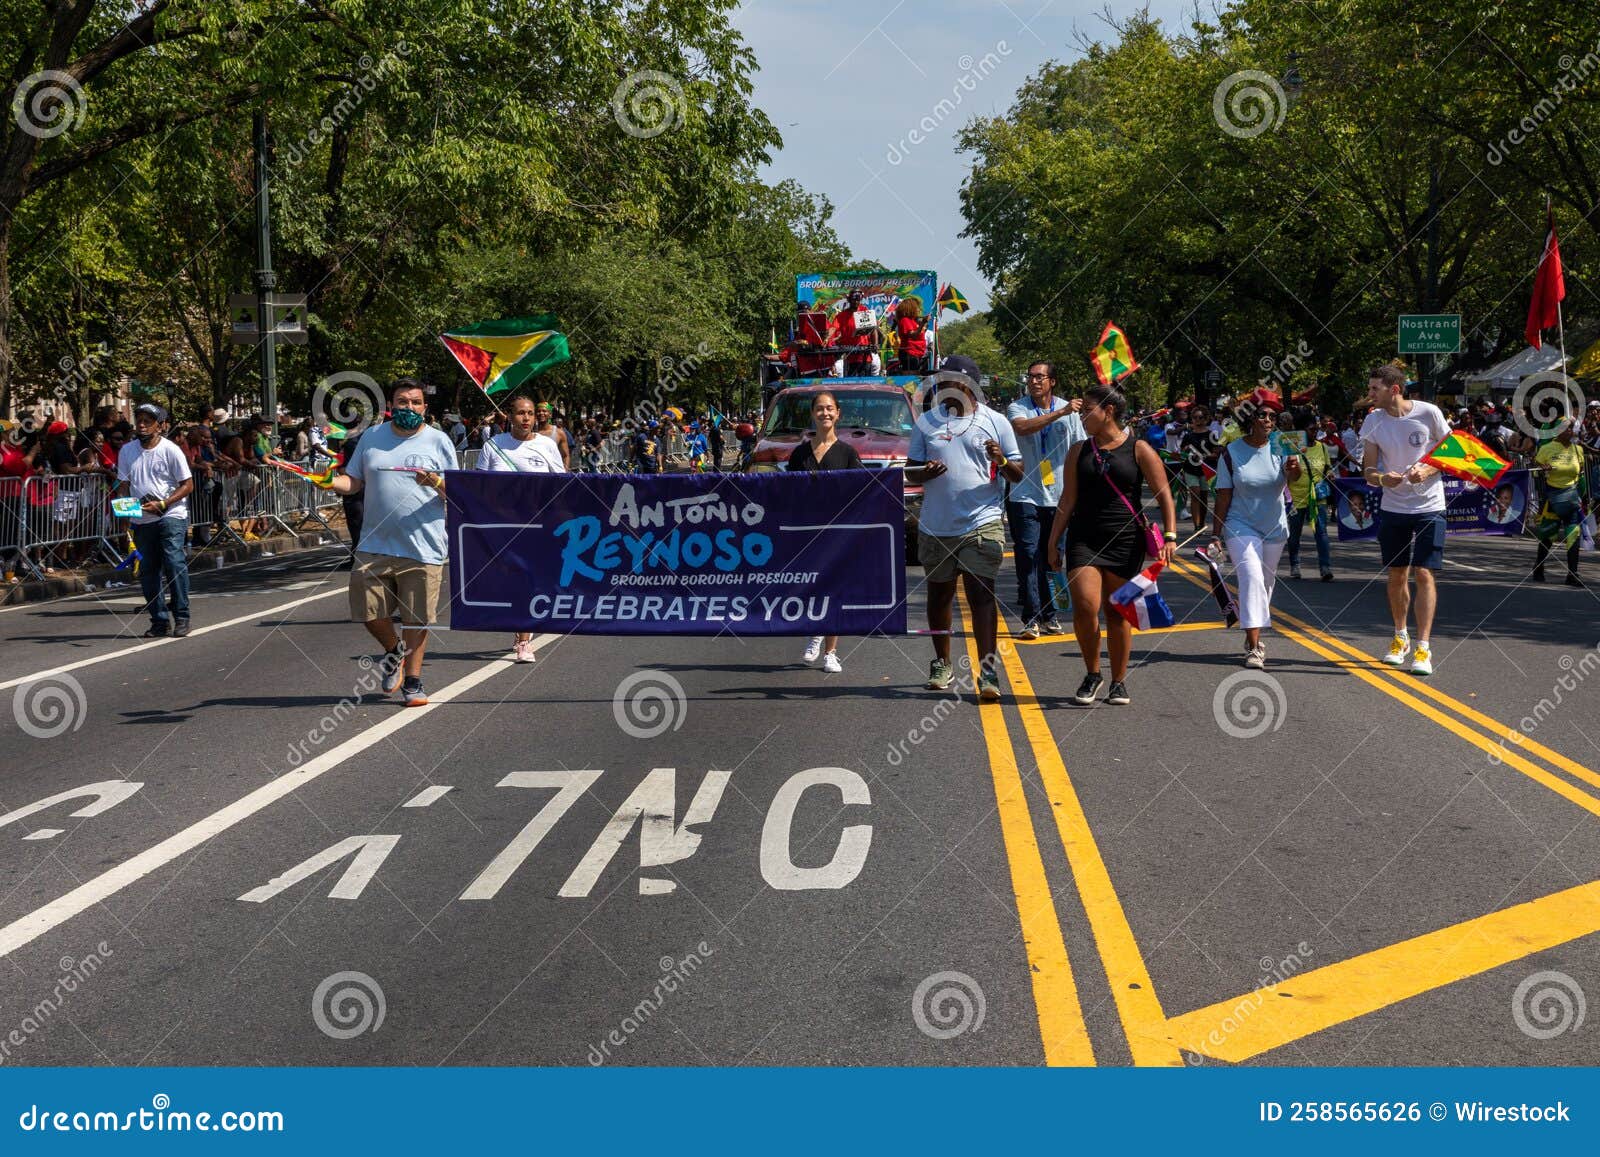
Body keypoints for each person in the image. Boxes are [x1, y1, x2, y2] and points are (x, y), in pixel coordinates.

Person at [323, 378, 458, 708]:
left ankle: (413, 681)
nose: (408, 408)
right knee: (368, 613)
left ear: (425, 408)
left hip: (423, 546)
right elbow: (353, 482)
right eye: (402, 402)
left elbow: (458, 493)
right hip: (374, 544)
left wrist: (437, 481)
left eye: (415, 402)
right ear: (391, 406)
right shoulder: (371, 437)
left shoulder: (438, 441)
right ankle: (393, 649)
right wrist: (327, 482)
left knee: (416, 619)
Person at [1047, 385, 1178, 705]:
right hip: (1084, 538)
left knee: (1118, 613)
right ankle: (1093, 674)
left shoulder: (1139, 448)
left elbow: (1164, 495)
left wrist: (1171, 536)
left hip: (1125, 541)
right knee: (1085, 605)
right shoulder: (1078, 451)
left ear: (1108, 411)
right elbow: (1068, 499)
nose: (1082, 415)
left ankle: (1119, 681)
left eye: (1087, 409)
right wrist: (1053, 542)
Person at [907, 354, 1023, 702]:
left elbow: (1018, 474)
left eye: (953, 380)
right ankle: (942, 662)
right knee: (940, 596)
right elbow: (910, 472)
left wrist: (1000, 459)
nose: (946, 386)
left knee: (981, 597)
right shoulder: (926, 422)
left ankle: (987, 671)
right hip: (936, 525)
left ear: (970, 385)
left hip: (981, 522)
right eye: (942, 380)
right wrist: (926, 472)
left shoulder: (996, 422)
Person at [1360, 363, 1450, 676]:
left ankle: (1424, 648)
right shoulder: (1373, 421)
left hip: (1430, 506)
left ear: (1394, 389)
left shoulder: (1429, 413)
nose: (1370, 394)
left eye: (1375, 389)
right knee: (1397, 573)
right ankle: (1400, 636)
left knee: (1424, 572)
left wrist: (1428, 469)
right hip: (1394, 507)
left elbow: (1452, 452)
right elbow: (1368, 470)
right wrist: (1383, 479)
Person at [475, 394, 567, 661]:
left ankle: (523, 640)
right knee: (508, 581)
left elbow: (559, 486)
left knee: (527, 579)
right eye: (520, 413)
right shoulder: (494, 445)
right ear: (510, 416)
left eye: (529, 413)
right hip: (501, 525)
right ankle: (520, 626)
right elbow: (479, 485)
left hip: (537, 526)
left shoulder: (546, 446)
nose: (526, 418)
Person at [1213, 406, 1301, 668]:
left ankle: (1252, 626)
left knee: (1264, 583)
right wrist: (1215, 534)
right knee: (1251, 577)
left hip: (1274, 525)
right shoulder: (1231, 453)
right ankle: (1254, 647)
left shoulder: (1282, 446)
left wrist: (1293, 467)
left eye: (1273, 416)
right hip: (1240, 524)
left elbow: (1294, 480)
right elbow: (1223, 494)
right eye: (1262, 415)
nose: (1268, 420)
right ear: (1250, 419)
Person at [1005, 361, 1085, 638]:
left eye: (1040, 377)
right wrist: (1060, 413)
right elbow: (1024, 429)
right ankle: (1031, 617)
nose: (1034, 381)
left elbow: (1080, 449)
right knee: (1028, 555)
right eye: (1031, 377)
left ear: (1052, 381)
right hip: (1024, 494)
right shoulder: (1019, 407)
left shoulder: (1071, 412)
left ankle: (1050, 614)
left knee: (1053, 557)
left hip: (1059, 496)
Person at [788, 391, 865, 673]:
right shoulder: (799, 453)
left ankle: (831, 652)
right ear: (813, 413)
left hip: (838, 533)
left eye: (830, 409)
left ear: (838, 413)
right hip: (807, 533)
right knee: (812, 586)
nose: (825, 414)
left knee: (834, 589)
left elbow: (861, 490)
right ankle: (815, 633)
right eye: (820, 409)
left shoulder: (847, 453)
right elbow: (785, 492)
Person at [115, 404, 195, 638]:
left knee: (173, 562)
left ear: (160, 426)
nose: (141, 424)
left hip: (171, 515)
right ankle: (159, 621)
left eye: (148, 421)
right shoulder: (127, 451)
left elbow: (188, 485)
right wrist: (123, 510)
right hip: (142, 519)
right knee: (148, 570)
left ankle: (182, 616)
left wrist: (163, 503)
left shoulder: (171, 450)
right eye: (139, 420)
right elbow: (123, 484)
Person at [1532, 419, 1586, 586]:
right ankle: (1539, 567)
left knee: (1573, 536)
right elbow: (1536, 470)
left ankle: (1573, 573)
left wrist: (1583, 498)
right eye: (1565, 428)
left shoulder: (1578, 450)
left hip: (1571, 501)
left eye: (1570, 427)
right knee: (1548, 536)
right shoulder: (1546, 449)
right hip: (1553, 500)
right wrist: (1543, 470)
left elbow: (1581, 474)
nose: (1569, 431)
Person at [1285, 410, 1334, 581]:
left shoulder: (1322, 447)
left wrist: (1330, 474)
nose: (1315, 432)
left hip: (1318, 498)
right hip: (1297, 499)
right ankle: (1295, 565)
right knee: (1295, 534)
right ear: (1301, 431)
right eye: (1311, 429)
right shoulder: (1292, 448)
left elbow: (1327, 468)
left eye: (1316, 429)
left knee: (1321, 533)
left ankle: (1325, 567)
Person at [893, 298, 928, 374]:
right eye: (917, 307)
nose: (918, 310)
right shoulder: (905, 320)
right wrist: (922, 324)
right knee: (911, 377)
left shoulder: (912, 320)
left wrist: (923, 324)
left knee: (916, 376)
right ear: (910, 308)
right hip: (909, 353)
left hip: (916, 353)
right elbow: (913, 335)